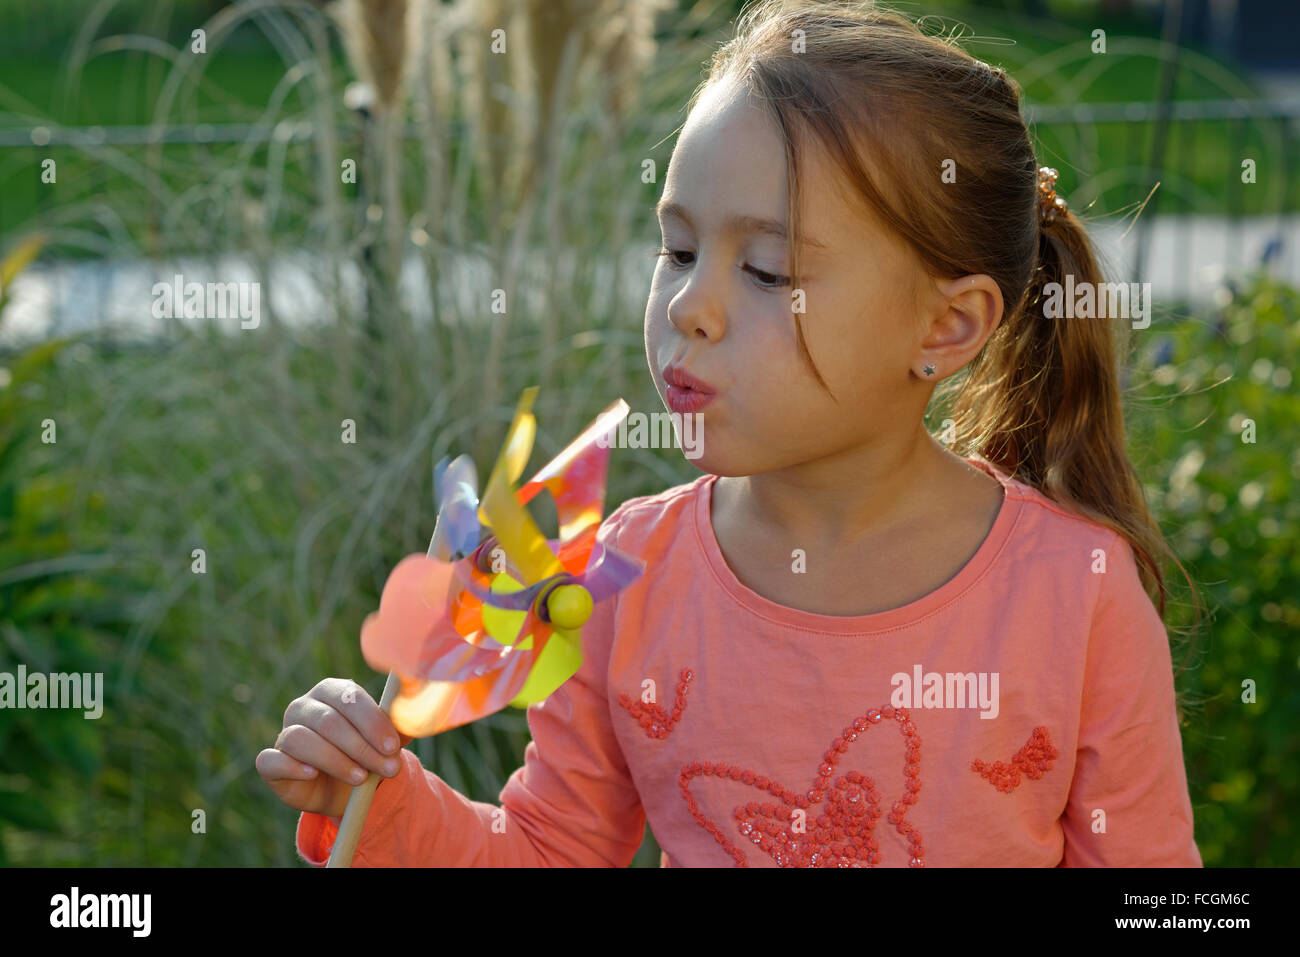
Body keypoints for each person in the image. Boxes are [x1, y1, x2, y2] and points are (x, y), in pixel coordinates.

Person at [257, 0, 1202, 867]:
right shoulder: (623, 578)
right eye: (676, 249)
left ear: (945, 326)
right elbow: (550, 847)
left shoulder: (1076, 596)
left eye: (766, 270)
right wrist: (376, 804)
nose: (691, 306)